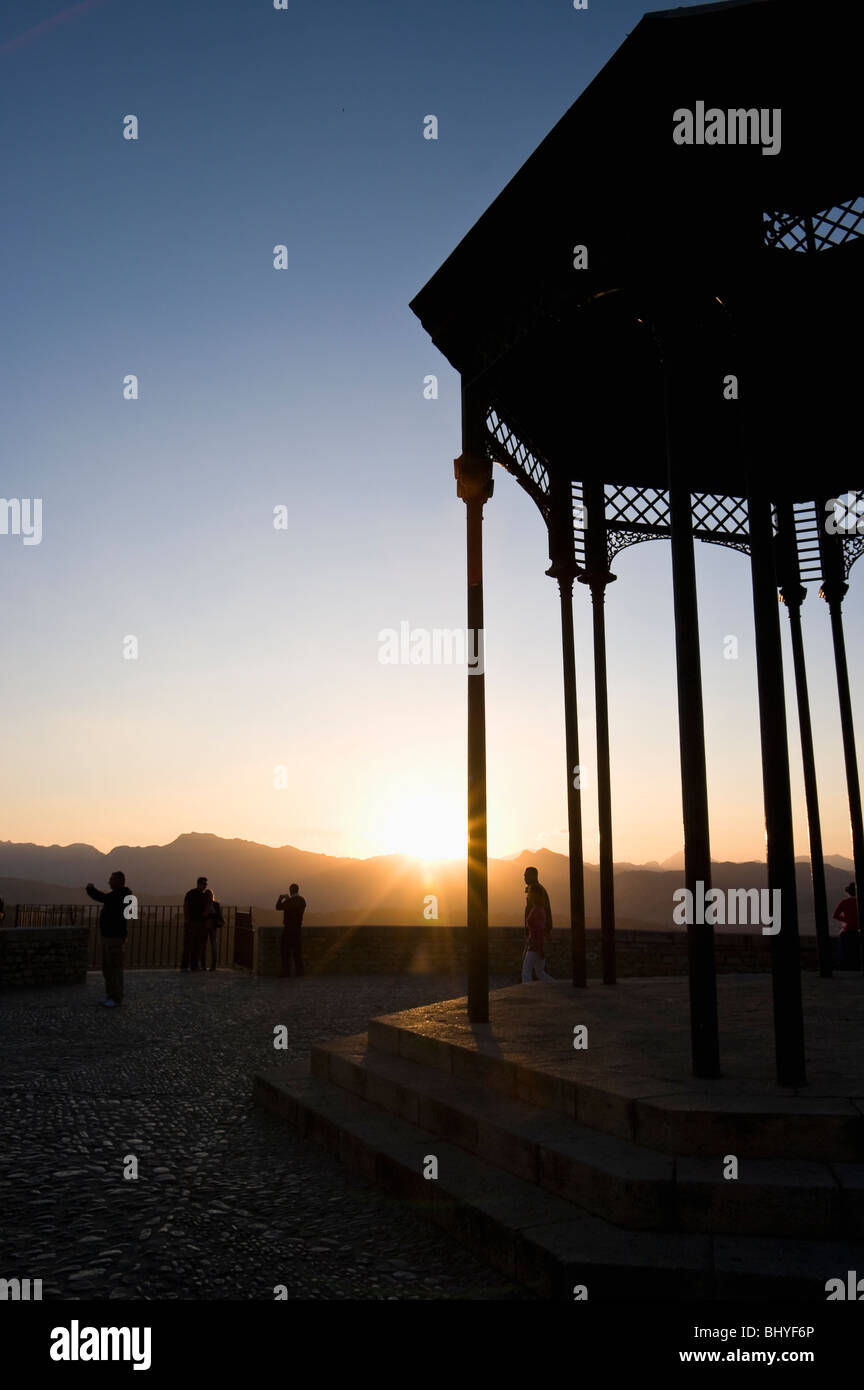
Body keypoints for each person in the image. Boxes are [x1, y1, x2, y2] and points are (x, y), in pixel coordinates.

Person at [86, 871, 131, 1007]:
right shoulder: (121, 895)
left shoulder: (122, 895)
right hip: (110, 936)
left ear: (118, 881)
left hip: (115, 937)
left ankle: (116, 997)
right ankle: (110, 995)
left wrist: (90, 889)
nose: (109, 882)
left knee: (114, 968)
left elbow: (102, 897)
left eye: (111, 880)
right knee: (108, 968)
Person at [522, 884, 555, 983]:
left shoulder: (537, 911)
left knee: (526, 972)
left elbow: (539, 931)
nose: (528, 895)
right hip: (536, 945)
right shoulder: (540, 910)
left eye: (530, 893)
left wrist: (540, 948)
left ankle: (527, 991)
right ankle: (556, 985)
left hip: (534, 946)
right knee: (540, 972)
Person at [276, 883, 306, 978]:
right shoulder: (302, 900)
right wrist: (289, 899)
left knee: (285, 952)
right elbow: (297, 906)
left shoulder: (289, 902)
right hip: (297, 930)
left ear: (290, 890)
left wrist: (282, 898)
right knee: (297, 953)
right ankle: (299, 972)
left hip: (288, 929)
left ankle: (286, 972)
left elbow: (278, 907)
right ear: (298, 890)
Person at [182, 876, 209, 971]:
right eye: (204, 884)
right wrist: (187, 919)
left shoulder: (195, 894)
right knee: (190, 945)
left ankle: (193, 965)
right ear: (199, 884)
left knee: (197, 946)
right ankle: (187, 965)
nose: (205, 886)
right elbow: (186, 906)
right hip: (193, 922)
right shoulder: (191, 894)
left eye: (206, 884)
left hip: (199, 923)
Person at [833, 882, 860, 969]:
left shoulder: (844, 902)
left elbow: (835, 915)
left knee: (842, 946)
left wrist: (846, 920)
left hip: (847, 930)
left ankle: (842, 963)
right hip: (858, 930)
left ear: (848, 892)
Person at [524, 866, 553, 942]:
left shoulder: (536, 891)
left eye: (526, 875)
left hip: (537, 935)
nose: (524, 877)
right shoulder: (537, 889)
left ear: (533, 876)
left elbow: (540, 912)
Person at [201, 888, 224, 972]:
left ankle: (205, 966)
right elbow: (218, 916)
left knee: (205, 946)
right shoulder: (215, 904)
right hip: (210, 927)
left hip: (208, 926)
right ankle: (211, 966)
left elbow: (203, 916)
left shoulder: (205, 905)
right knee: (210, 946)